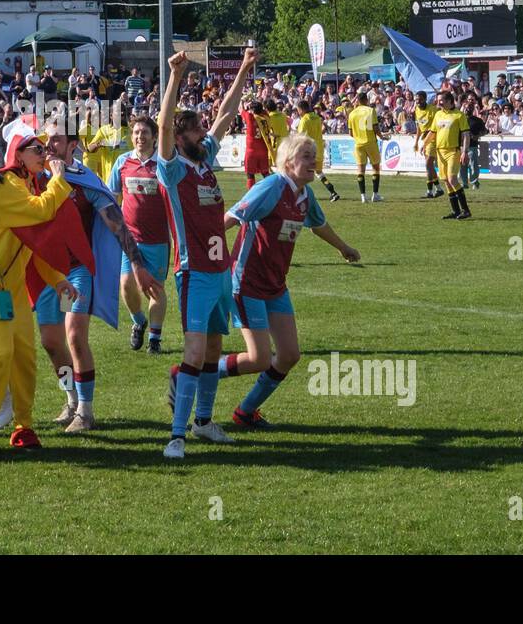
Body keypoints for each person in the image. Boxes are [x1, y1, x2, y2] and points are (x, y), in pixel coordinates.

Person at [157, 47, 256, 460]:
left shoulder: (203, 162)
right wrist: (175, 78)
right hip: (193, 272)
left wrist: (246, 70)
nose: (205, 133)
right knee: (195, 352)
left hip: (219, 272)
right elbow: (163, 124)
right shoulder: (174, 167)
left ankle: (202, 422)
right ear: (181, 138)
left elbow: (226, 115)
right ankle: (176, 436)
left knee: (213, 350)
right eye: (197, 130)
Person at [220, 134, 360, 426]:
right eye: (306, 155)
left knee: (288, 355)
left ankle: (245, 412)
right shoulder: (272, 187)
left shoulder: (304, 195)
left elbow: (318, 225)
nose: (314, 161)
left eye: (314, 155)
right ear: (288, 161)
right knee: (258, 358)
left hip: (275, 285)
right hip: (247, 282)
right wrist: (200, 249)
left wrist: (343, 248)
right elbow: (233, 217)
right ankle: (194, 370)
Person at [34, 121, 161, 433]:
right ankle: (71, 400)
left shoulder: (84, 181)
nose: (49, 145)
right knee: (51, 343)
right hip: (49, 273)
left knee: (75, 337)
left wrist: (137, 264)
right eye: (47, 140)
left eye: (57, 140)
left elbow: (116, 223)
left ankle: (86, 412)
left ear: (73, 145)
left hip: (77, 272)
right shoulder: (37, 177)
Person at [0, 123, 77, 455]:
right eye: (36, 149)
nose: (44, 154)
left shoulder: (27, 182)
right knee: (0, 351)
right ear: (18, 154)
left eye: (44, 149)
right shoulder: (5, 185)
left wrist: (57, 279)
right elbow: (41, 212)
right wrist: (59, 177)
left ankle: (23, 426)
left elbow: (35, 242)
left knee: (24, 354)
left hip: (9, 284)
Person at [108, 114, 169, 354]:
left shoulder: (163, 165)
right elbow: (112, 198)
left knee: (155, 288)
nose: (139, 137)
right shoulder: (122, 162)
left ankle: (154, 337)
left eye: (144, 133)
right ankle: (139, 321)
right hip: (129, 239)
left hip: (158, 240)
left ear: (155, 137)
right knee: (126, 285)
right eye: (136, 133)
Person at [428, 91, 472, 220]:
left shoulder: (459, 115)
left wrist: (464, 151)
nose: (438, 102)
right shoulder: (438, 114)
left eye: (441, 100)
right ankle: (456, 211)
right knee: (446, 181)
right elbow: (432, 132)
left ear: (449, 101)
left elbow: (465, 135)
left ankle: (466, 210)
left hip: (453, 151)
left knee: (452, 179)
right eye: (438, 100)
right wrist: (423, 144)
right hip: (440, 151)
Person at [295, 99, 339, 201]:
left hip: (308, 152)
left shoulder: (304, 120)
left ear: (301, 109)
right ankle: (333, 191)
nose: (298, 112)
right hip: (318, 150)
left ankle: (301, 196)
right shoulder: (317, 118)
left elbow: (301, 137)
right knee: (319, 172)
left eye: (298, 110)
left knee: (300, 173)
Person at [347, 91, 383, 202]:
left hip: (358, 144)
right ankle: (375, 194)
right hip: (370, 142)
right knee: (375, 168)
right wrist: (382, 136)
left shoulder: (352, 113)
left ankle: (363, 196)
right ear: (366, 100)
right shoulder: (370, 111)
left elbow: (350, 133)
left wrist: (359, 137)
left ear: (357, 100)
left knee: (360, 170)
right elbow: (375, 128)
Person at [413, 91, 443, 198]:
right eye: (416, 100)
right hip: (424, 140)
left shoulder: (432, 110)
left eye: (420, 100)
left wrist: (428, 132)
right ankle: (438, 189)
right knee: (429, 166)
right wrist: (416, 142)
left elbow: (437, 126)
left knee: (428, 164)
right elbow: (419, 127)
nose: (418, 102)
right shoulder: (416, 110)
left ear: (425, 99)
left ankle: (430, 191)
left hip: (433, 139)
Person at [241, 100, 271, 188]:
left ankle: (251, 195)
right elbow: (265, 112)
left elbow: (241, 110)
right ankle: (271, 190)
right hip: (263, 149)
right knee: (265, 173)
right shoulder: (265, 118)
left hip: (251, 150)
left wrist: (245, 104)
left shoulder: (250, 117)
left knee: (250, 174)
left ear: (253, 110)